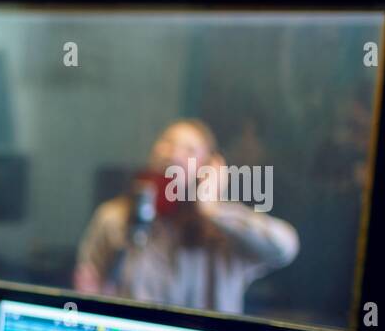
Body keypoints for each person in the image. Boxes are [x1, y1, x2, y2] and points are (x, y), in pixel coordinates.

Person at [73, 119, 299, 315]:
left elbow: (284, 247)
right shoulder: (115, 218)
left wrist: (212, 210)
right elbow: (88, 282)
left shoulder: (226, 229)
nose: (174, 153)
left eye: (189, 149)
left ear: (209, 168)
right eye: (168, 143)